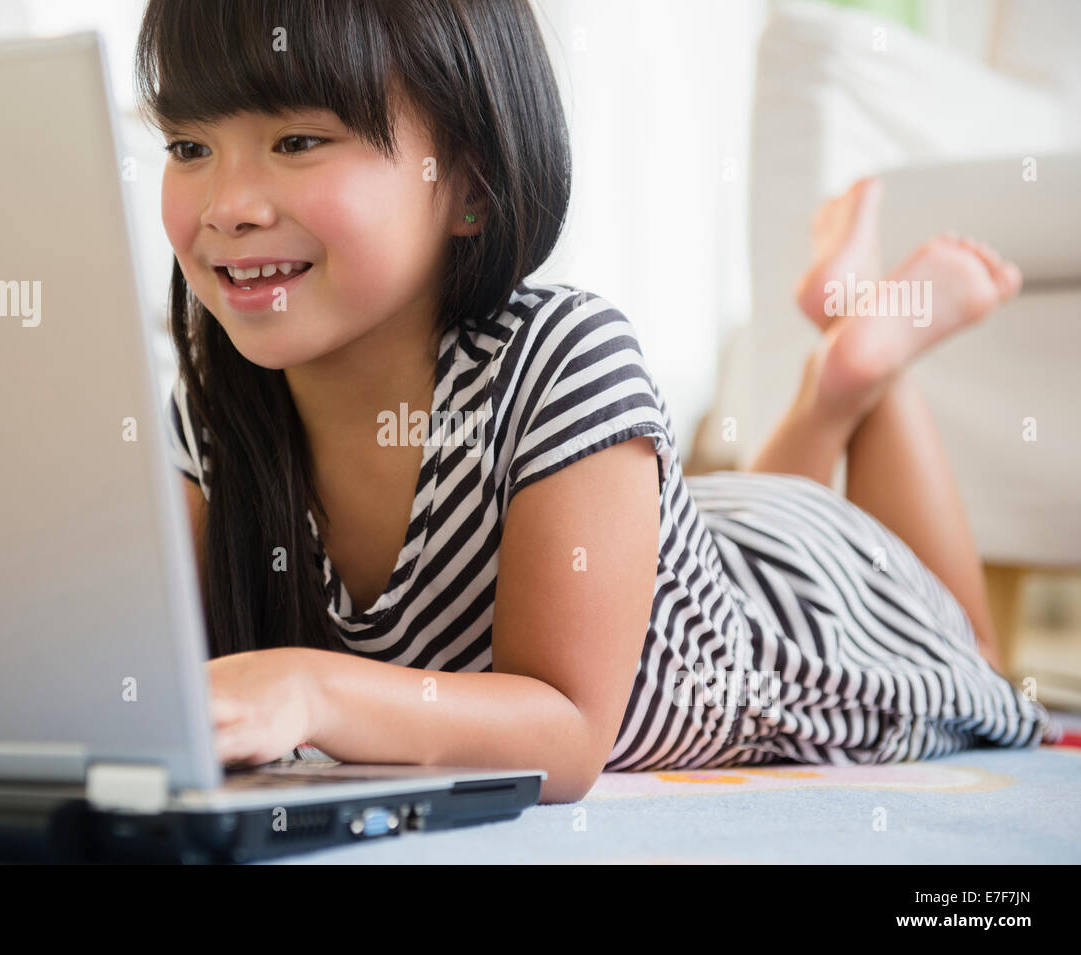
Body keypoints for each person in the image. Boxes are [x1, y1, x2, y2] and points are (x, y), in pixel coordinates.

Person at [141, 0, 1062, 804]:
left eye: (297, 142)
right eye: (189, 146)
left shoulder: (566, 358)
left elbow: (569, 732)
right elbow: (159, 670)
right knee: (703, 553)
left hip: (782, 622)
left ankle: (861, 369)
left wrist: (310, 688)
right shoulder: (217, 407)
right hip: (670, 547)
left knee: (974, 663)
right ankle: (835, 379)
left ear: (468, 188)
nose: (228, 204)